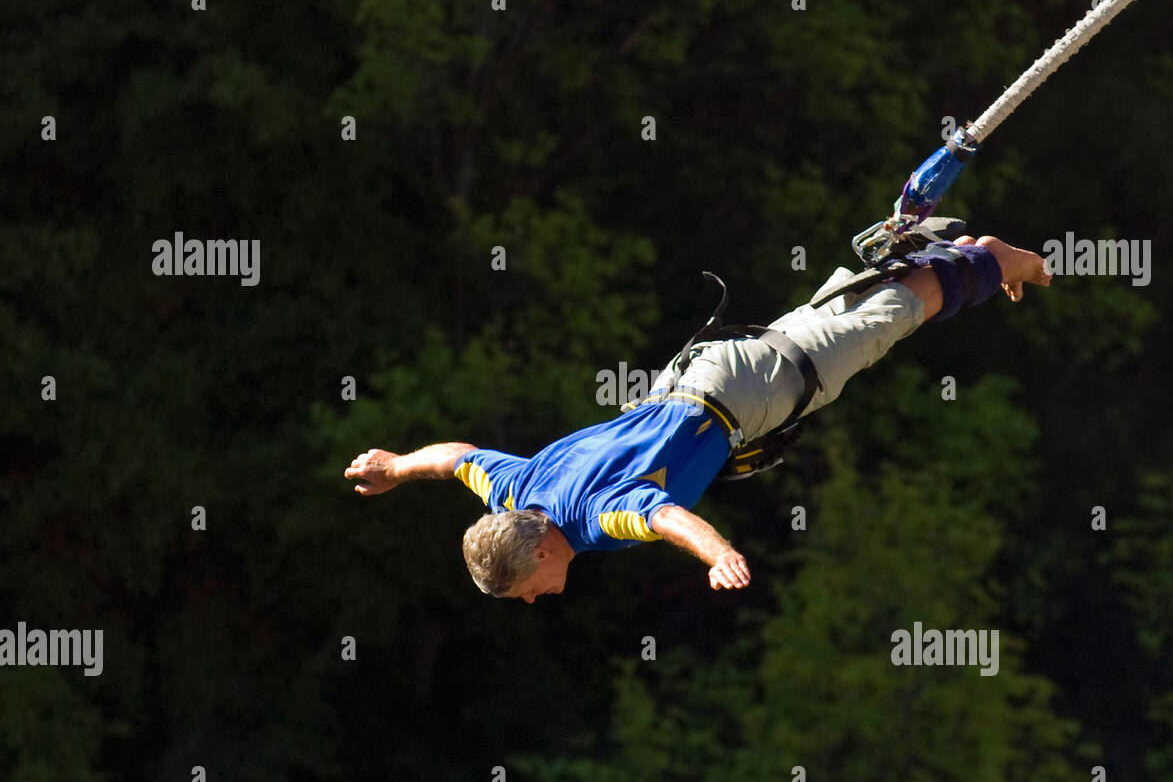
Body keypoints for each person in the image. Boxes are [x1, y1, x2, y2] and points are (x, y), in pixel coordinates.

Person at [345, 234, 1050, 600]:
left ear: (538, 555)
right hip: (694, 374)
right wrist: (396, 467)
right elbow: (457, 459)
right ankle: (935, 257)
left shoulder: (595, 521)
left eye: (527, 591)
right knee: (830, 325)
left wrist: (721, 557)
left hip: (740, 396)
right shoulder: (511, 491)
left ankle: (988, 261)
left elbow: (663, 519)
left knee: (877, 330)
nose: (535, 600)